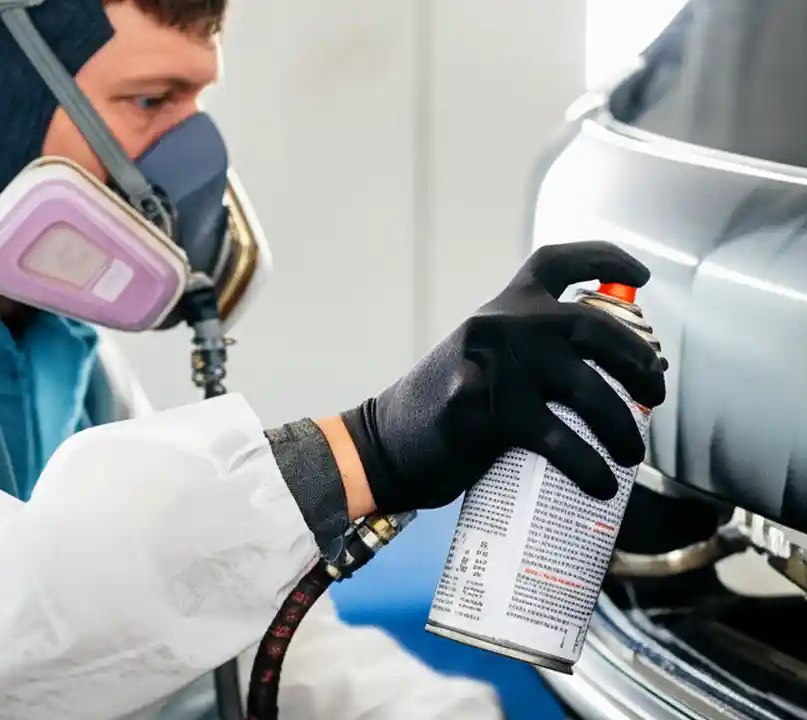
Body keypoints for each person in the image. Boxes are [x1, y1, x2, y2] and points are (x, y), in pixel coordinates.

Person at [0, 1, 666, 718]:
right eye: (151, 101)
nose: (192, 160)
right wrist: (367, 450)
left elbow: (212, 641)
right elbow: (29, 623)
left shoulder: (62, 353)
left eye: (195, 99)